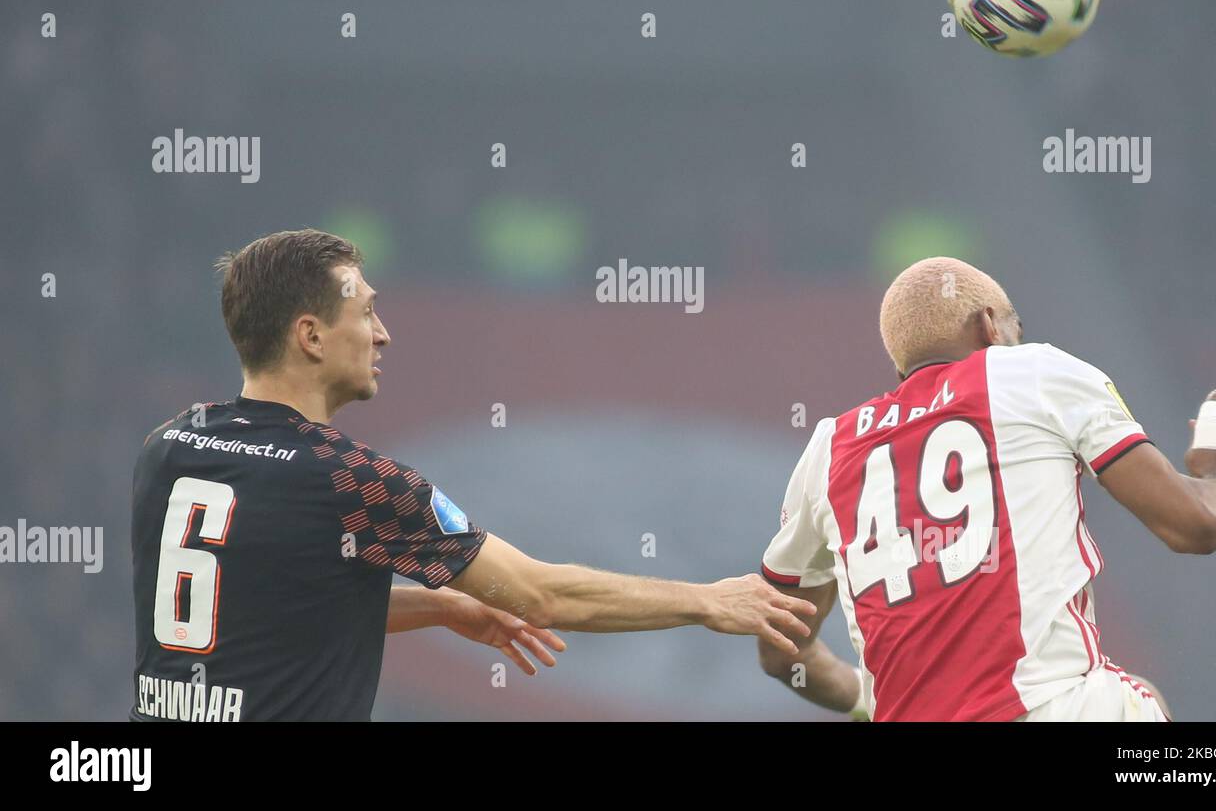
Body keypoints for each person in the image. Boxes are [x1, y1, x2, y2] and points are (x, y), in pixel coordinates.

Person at [131, 228, 814, 721]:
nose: (383, 333)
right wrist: (707, 602)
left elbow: (264, 604)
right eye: (365, 312)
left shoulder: (171, 446)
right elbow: (541, 595)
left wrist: (439, 605)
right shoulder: (351, 481)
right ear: (310, 336)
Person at [755, 256, 1216, 721]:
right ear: (990, 325)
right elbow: (1196, 526)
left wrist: (863, 695)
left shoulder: (829, 446)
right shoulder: (1033, 370)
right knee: (1145, 702)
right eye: (1018, 327)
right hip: (1052, 709)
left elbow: (781, 651)